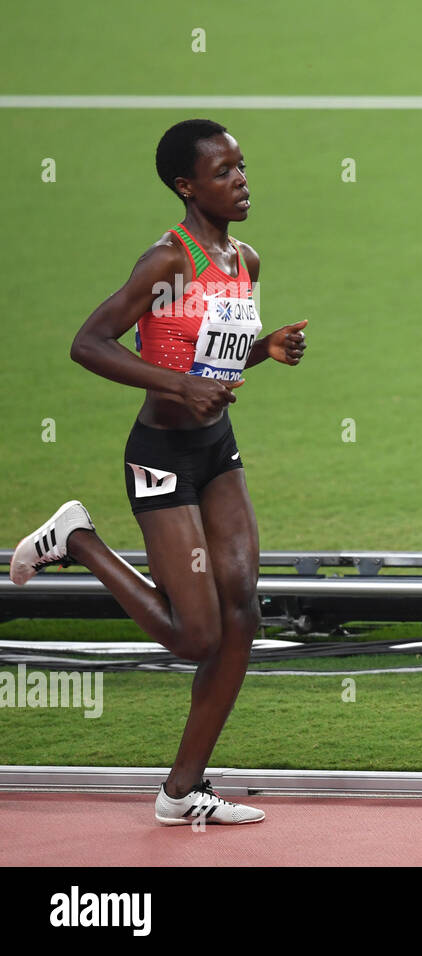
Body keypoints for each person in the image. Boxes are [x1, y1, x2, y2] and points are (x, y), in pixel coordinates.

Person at [9, 119, 308, 825]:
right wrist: (175, 388)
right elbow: (89, 343)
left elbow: (215, 361)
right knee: (195, 635)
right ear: (186, 185)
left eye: (242, 167)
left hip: (217, 452)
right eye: (224, 172)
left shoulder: (244, 261)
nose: (241, 181)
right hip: (162, 456)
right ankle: (77, 540)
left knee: (243, 616)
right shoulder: (166, 263)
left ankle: (181, 791)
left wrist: (265, 349)